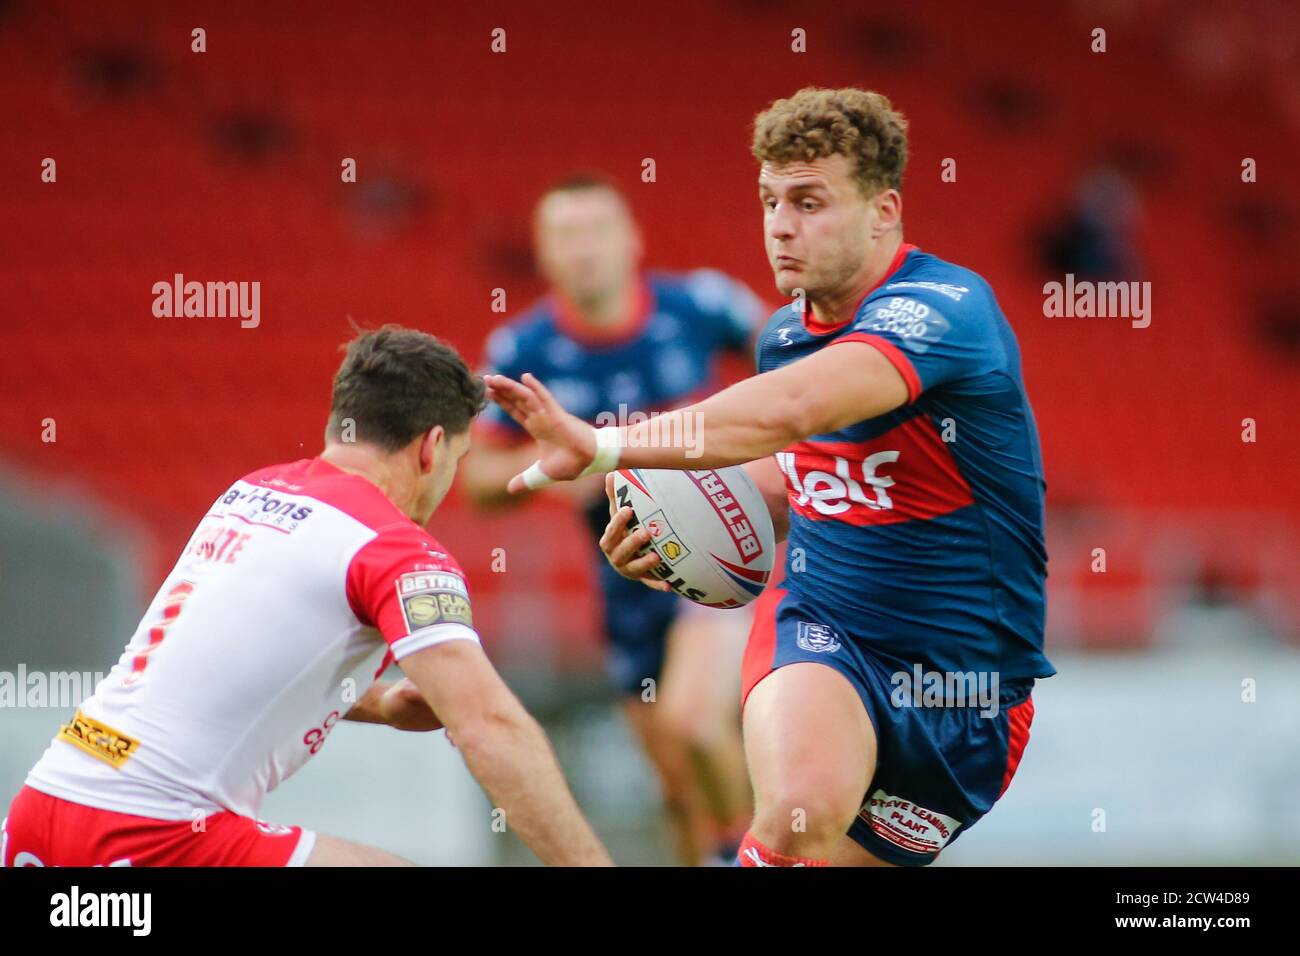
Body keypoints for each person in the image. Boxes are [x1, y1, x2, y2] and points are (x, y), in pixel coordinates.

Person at [484, 87, 1056, 867]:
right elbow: (803, 475)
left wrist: (611, 446)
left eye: (810, 202)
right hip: (828, 627)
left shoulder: (946, 309)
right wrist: (665, 524)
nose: (781, 226)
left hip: (969, 686)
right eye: (770, 201)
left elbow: (793, 408)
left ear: (884, 209)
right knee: (794, 817)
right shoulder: (787, 332)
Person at [2, 326, 611, 867]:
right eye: (459, 456)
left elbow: (218, 660)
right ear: (431, 447)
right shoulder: (398, 550)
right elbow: (491, 727)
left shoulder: (248, 496)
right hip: (156, 835)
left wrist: (376, 704)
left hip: (41, 813)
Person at [461, 175, 765, 865]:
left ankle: (758, 853)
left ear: (632, 238)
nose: (584, 249)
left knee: (693, 722)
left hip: (721, 560)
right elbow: (477, 482)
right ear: (543, 252)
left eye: (597, 230)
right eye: (565, 235)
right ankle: (730, 848)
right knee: (679, 793)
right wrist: (558, 473)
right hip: (626, 581)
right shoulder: (522, 352)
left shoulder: (703, 305)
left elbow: (799, 369)